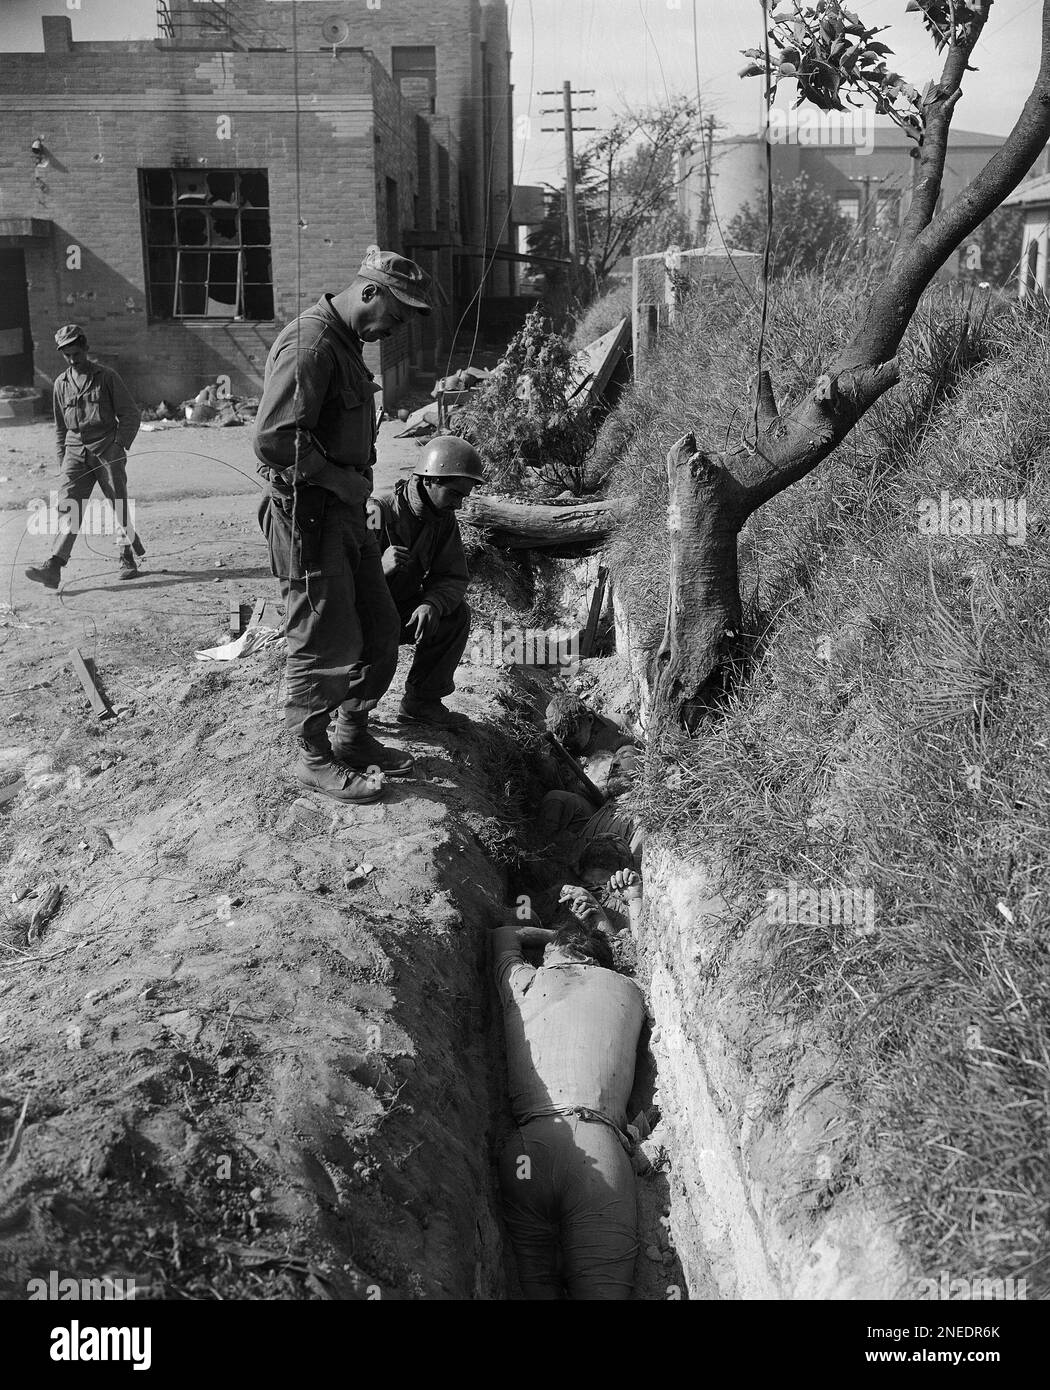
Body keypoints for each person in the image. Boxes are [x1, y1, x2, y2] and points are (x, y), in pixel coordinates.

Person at [253, 246, 432, 803]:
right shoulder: (312, 344)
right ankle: (313, 757)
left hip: (345, 515)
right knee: (321, 639)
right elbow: (275, 440)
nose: (394, 329)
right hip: (310, 519)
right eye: (395, 316)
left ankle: (353, 735)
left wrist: (352, 490)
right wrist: (337, 479)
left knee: (379, 628)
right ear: (370, 292)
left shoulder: (346, 343)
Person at [492, 908, 647, 1299]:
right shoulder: (630, 989)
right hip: (598, 1146)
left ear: (550, 954)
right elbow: (645, 947)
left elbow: (505, 934)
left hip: (527, 1155)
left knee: (536, 1288)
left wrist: (553, 934)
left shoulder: (523, 981)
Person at [368, 436, 483, 729]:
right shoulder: (376, 511)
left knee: (455, 615)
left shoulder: (443, 519)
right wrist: (378, 568)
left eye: (463, 497)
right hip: (363, 613)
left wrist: (431, 603)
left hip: (400, 609)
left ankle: (422, 702)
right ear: (430, 480)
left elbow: (452, 575)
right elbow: (341, 580)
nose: (458, 504)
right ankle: (349, 715)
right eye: (454, 493)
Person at [25, 325, 143, 589]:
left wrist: (119, 445)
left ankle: (127, 557)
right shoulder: (60, 384)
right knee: (70, 507)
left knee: (118, 503)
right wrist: (63, 461)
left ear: (86, 349)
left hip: (106, 448)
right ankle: (54, 566)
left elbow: (130, 414)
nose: (72, 360)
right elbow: (59, 428)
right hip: (75, 452)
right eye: (67, 355)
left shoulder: (107, 376)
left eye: (76, 354)